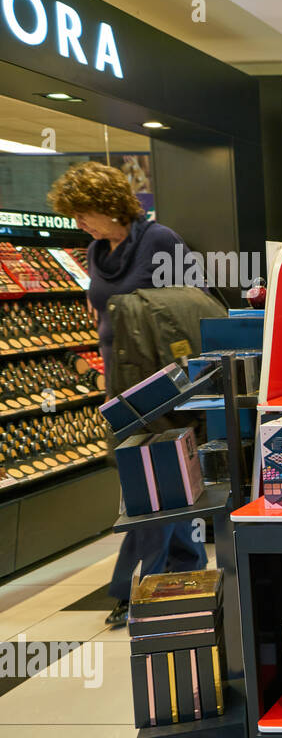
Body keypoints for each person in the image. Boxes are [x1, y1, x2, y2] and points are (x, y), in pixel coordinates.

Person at [47, 162, 208, 627]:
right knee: (160, 479)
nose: (79, 223)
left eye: (83, 212)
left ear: (108, 204)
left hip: (160, 379)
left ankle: (129, 584)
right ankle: (185, 571)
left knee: (150, 480)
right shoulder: (99, 251)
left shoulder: (160, 240)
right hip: (118, 377)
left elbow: (192, 304)